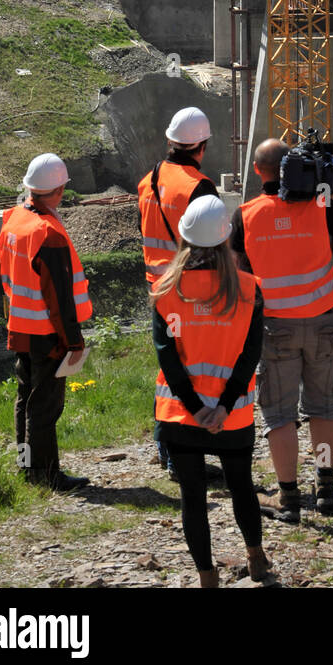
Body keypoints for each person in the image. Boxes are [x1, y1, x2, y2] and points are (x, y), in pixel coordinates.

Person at [152, 195, 269, 589]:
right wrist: (221, 407)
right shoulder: (250, 290)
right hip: (232, 416)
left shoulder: (165, 290)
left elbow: (167, 356)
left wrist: (196, 409)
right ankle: (256, 558)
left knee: (193, 498)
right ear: (227, 240)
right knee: (241, 486)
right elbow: (250, 354)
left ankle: (206, 578)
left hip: (181, 417)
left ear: (184, 238)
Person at [232, 138, 333, 522]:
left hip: (275, 327)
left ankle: (288, 497)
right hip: (324, 321)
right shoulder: (321, 205)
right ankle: (326, 484)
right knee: (323, 406)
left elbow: (239, 273)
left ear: (257, 171)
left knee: (280, 416)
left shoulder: (246, 215)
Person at [0, 153, 92, 492]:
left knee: (25, 401)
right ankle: (48, 476)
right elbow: (60, 299)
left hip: (20, 327)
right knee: (45, 409)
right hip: (48, 335)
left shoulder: (15, 220)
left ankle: (25, 467)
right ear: (60, 190)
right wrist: (73, 342)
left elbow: (7, 274)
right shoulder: (47, 233)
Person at [138, 107, 218, 475]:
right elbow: (211, 244)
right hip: (191, 289)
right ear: (200, 146)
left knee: (168, 367)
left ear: (171, 141)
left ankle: (166, 447)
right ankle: (186, 449)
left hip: (160, 288)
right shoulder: (198, 186)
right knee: (194, 369)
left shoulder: (147, 181)